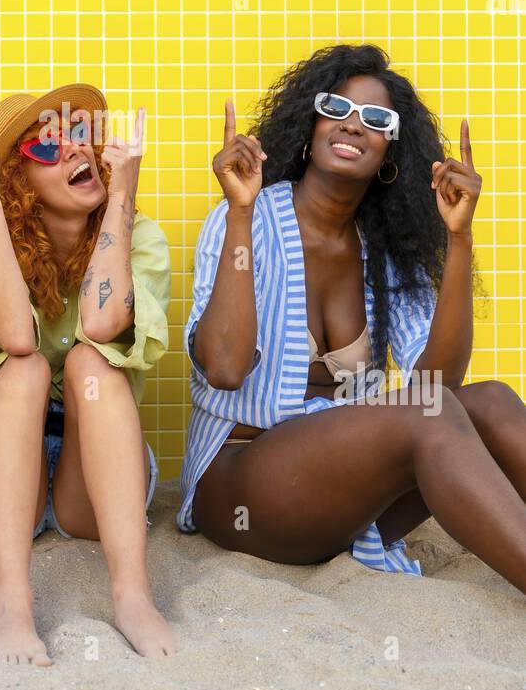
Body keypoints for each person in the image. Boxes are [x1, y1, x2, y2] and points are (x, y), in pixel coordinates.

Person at [180, 43, 526, 593]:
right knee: (424, 414)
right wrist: (241, 213)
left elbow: (439, 385)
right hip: (243, 486)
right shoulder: (248, 216)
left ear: (391, 149)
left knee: (492, 401)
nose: (353, 126)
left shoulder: (387, 252)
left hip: (339, 497)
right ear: (311, 126)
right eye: (336, 109)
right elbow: (223, 368)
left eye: (375, 119)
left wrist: (458, 239)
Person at [0, 85, 177, 664]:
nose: (75, 151)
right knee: (21, 370)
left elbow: (99, 323)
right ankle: (11, 603)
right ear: (18, 186)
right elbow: (17, 338)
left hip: (92, 483)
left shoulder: (137, 236)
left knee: (88, 359)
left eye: (80, 137)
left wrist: (123, 195)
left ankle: (132, 595)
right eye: (48, 148)